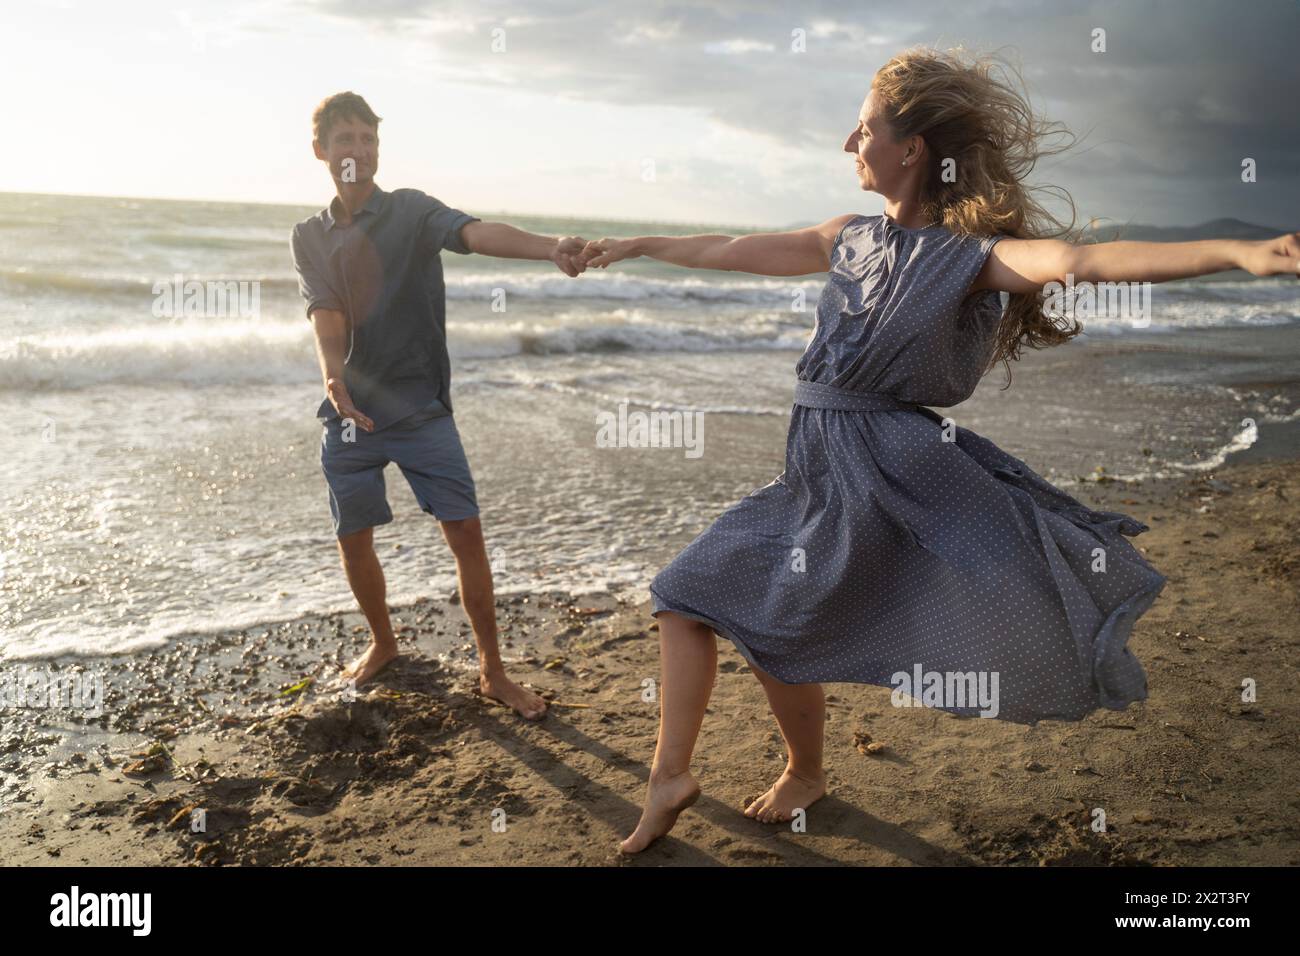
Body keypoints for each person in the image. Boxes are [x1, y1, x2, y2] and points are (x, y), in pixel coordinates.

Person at [578, 47, 1300, 853]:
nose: (848, 143)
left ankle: (689, 774)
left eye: (863, 130)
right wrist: (636, 240)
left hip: (887, 466)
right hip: (815, 463)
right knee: (744, 607)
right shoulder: (845, 237)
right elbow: (728, 248)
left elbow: (1078, 262)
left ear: (911, 148)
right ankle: (790, 772)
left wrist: (1240, 254)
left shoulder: (969, 259)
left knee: (703, 596)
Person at [290, 91, 589, 718]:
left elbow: (475, 233)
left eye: (368, 137)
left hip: (421, 407)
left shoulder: (412, 211)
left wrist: (547, 246)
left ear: (378, 147)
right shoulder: (309, 236)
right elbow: (326, 311)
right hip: (349, 416)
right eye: (345, 139)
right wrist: (331, 377)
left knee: (466, 533)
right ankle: (383, 644)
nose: (359, 150)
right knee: (353, 536)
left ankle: (493, 672)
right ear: (322, 151)